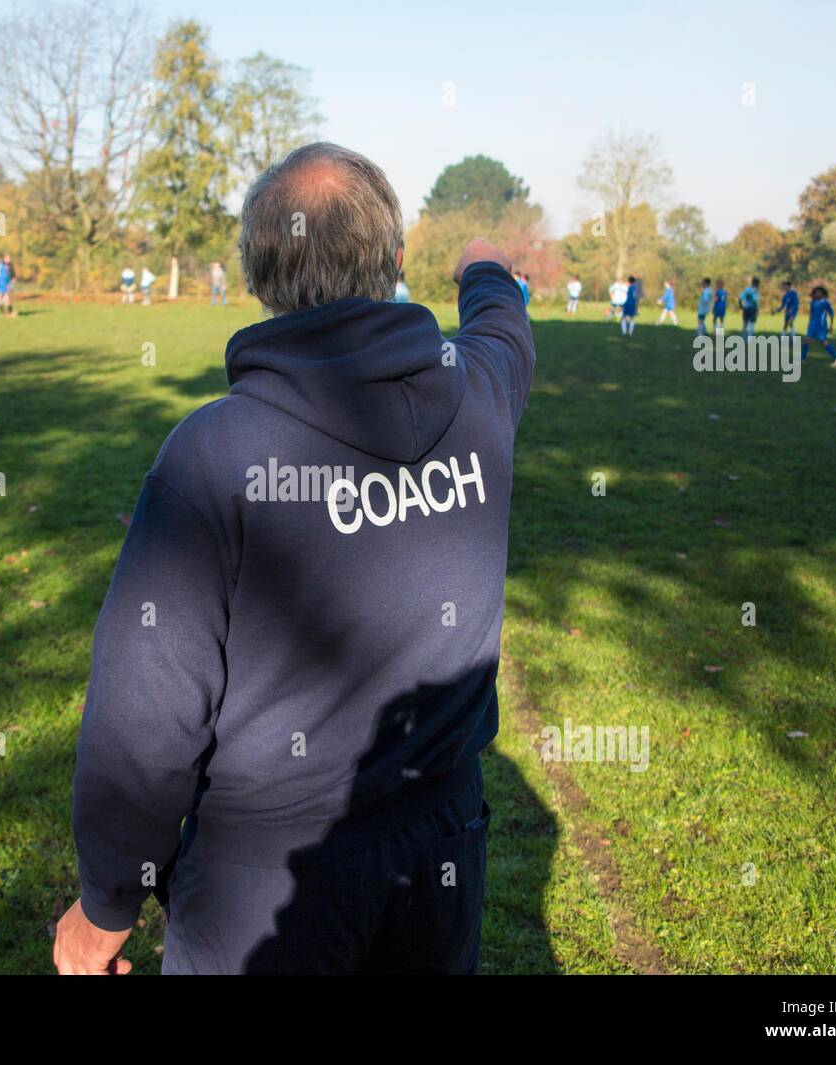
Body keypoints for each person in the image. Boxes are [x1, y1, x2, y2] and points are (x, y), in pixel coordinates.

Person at [55, 142, 535, 976]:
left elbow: (145, 710)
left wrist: (106, 904)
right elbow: (503, 322)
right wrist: (482, 264)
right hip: (438, 853)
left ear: (258, 274)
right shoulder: (482, 392)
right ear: (392, 261)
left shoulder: (212, 452)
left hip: (270, 889)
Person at [803, 285, 836, 367]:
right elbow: (811, 313)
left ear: (823, 294)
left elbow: (831, 314)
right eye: (816, 293)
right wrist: (809, 323)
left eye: (819, 293)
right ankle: (802, 359)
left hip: (821, 326)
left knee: (824, 343)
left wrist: (831, 325)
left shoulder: (825, 303)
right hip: (812, 325)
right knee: (807, 340)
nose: (817, 294)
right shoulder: (812, 302)